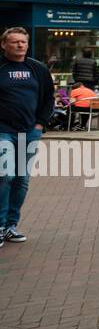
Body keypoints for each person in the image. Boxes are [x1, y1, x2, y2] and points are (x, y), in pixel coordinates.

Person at [0, 27, 55, 248]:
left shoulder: (37, 69)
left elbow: (49, 98)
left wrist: (40, 123)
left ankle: (11, 225)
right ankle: (0, 225)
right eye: (14, 42)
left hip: (30, 130)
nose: (20, 45)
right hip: (3, 130)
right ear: (4, 45)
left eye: (23, 42)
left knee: (22, 179)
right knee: (5, 175)